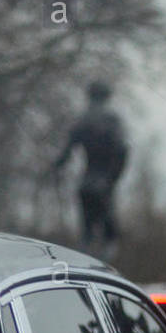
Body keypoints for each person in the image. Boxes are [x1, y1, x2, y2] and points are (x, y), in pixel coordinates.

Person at [52, 81, 128, 254]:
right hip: (104, 179)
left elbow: (66, 152)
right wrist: (115, 176)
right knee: (107, 229)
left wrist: (57, 167)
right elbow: (123, 150)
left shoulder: (82, 120)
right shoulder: (112, 121)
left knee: (88, 228)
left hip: (87, 180)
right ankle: (102, 255)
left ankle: (90, 252)